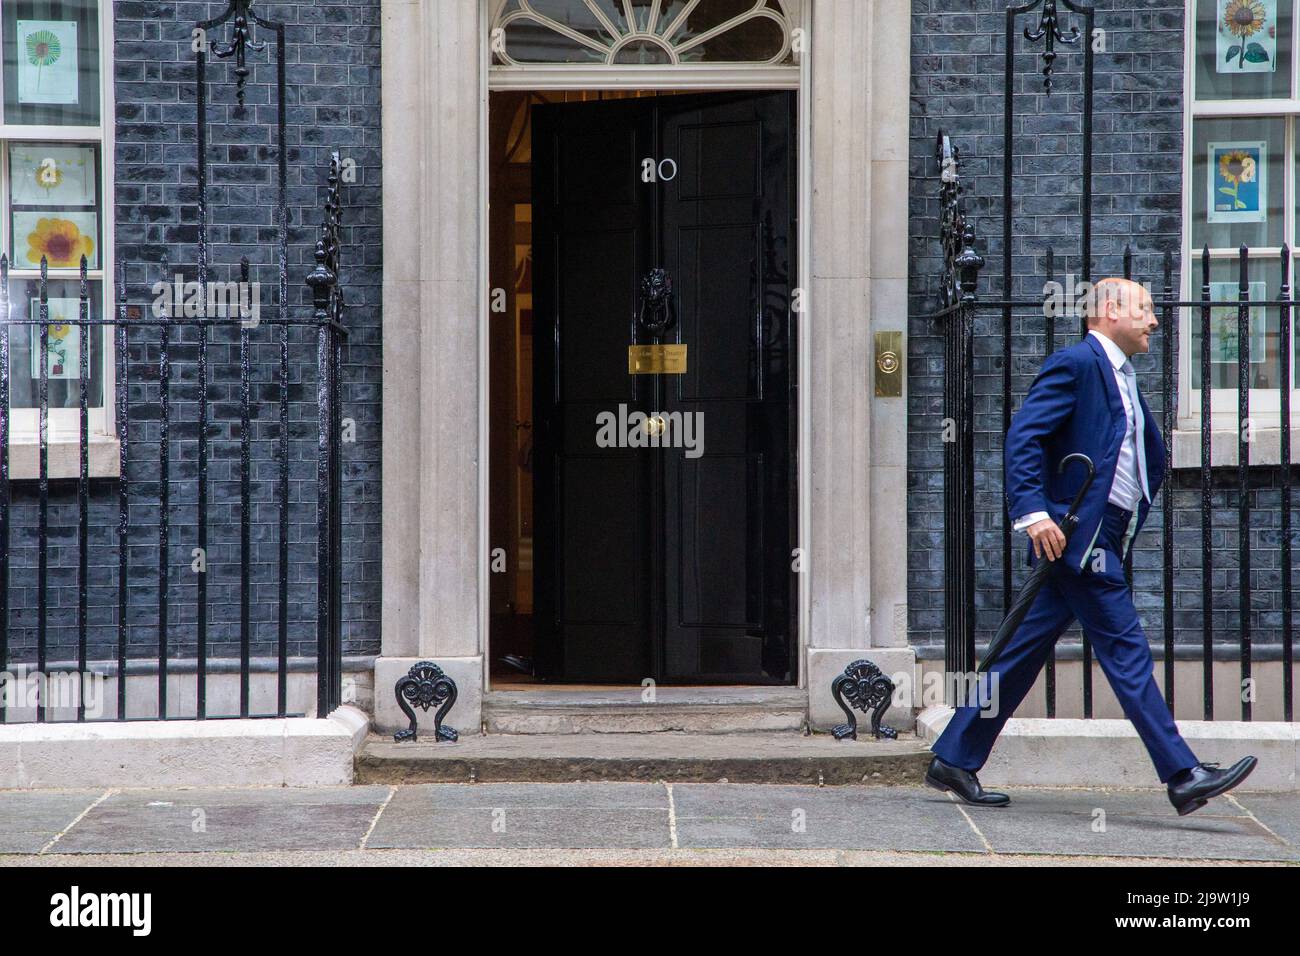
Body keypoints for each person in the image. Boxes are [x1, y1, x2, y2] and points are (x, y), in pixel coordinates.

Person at [925, 277, 1257, 815]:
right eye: (1144, 310)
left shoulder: (1121, 375)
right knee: (1126, 651)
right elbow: (1024, 437)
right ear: (1108, 311)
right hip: (1080, 535)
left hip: (1102, 533)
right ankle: (1182, 772)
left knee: (1021, 652)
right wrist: (1035, 514)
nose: (1154, 320)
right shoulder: (1077, 364)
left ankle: (955, 758)